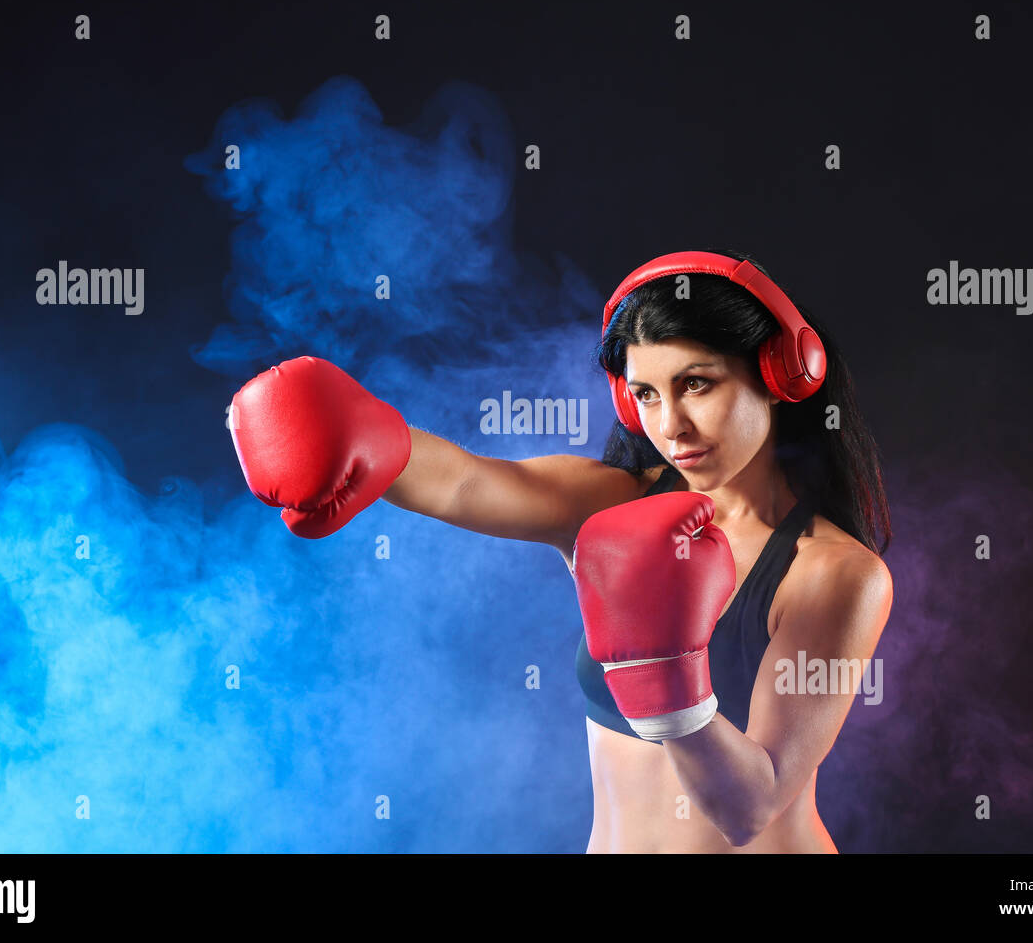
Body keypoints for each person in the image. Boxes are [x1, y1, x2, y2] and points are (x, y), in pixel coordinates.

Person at [229, 247, 893, 853]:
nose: (671, 425)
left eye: (697, 384)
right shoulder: (607, 504)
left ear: (781, 372)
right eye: (646, 395)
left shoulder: (836, 574)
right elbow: (466, 481)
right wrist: (364, 434)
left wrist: (666, 682)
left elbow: (751, 807)